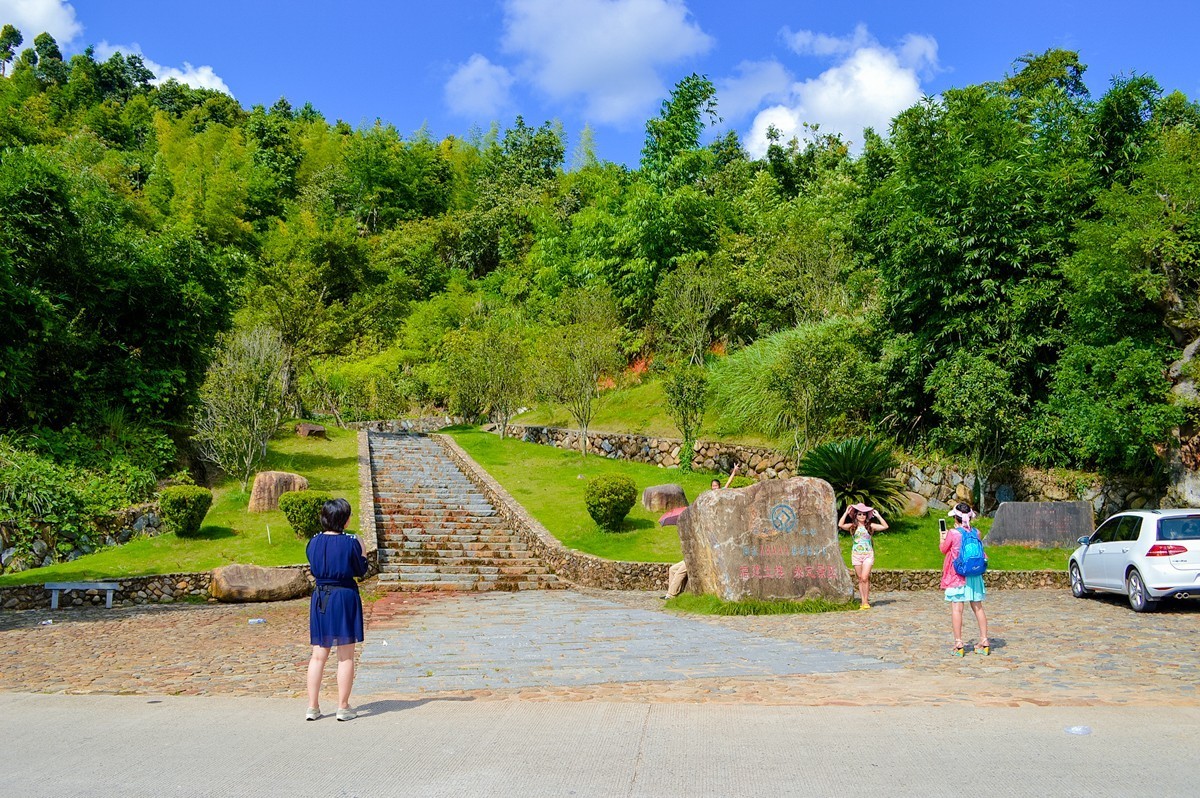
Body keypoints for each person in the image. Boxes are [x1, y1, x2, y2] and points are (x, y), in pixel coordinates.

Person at [305, 498, 368, 721]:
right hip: (344, 596)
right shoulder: (351, 542)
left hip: (321, 597)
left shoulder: (313, 542)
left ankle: (312, 707)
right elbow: (361, 569)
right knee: (345, 656)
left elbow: (313, 566)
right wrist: (364, 551)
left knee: (318, 655)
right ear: (344, 518)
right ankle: (343, 706)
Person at [663, 465, 741, 599]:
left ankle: (670, 594)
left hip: (700, 555)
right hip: (693, 554)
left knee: (681, 571)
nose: (714, 487)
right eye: (713, 486)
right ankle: (674, 593)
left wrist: (734, 472)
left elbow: (728, 484)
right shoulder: (707, 498)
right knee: (672, 569)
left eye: (716, 485)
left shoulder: (720, 496)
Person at [940, 501, 989, 656]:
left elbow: (943, 549)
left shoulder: (953, 534)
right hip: (974, 574)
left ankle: (959, 644)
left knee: (957, 609)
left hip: (957, 575)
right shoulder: (977, 532)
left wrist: (942, 537)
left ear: (956, 518)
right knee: (978, 607)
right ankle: (984, 641)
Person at [838, 502, 888, 609]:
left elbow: (885, 526)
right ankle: (863, 601)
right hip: (856, 555)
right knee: (860, 578)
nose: (862, 516)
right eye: (859, 514)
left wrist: (878, 516)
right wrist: (846, 513)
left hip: (868, 555)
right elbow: (841, 525)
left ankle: (866, 601)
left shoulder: (870, 526)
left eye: (864, 514)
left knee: (865, 577)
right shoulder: (853, 527)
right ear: (856, 515)